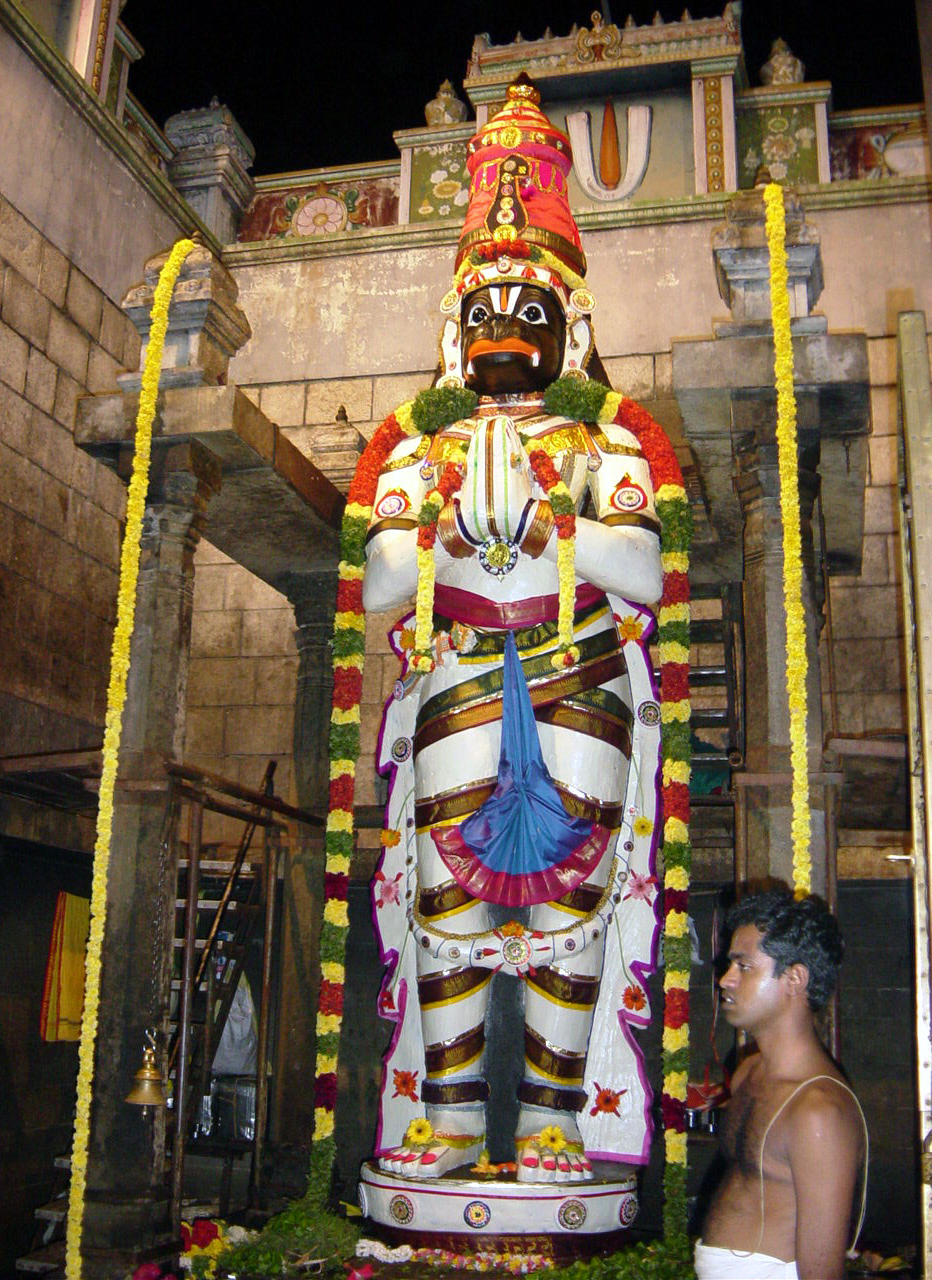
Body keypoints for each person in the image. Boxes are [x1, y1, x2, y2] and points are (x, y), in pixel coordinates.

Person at [360, 77, 669, 1183]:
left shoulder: (604, 438)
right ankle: (440, 1120)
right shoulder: (421, 446)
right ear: (455, 328)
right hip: (457, 678)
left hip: (573, 670)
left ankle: (551, 1117)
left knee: (570, 909)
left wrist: (557, 526)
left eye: (527, 309)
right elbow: (380, 578)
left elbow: (649, 559)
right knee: (450, 902)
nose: (503, 326)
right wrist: (449, 531)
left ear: (569, 326)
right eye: (483, 308)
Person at [697, 890, 867, 1280]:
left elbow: (822, 1273)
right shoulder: (748, 1073)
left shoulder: (818, 1110)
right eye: (729, 965)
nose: (725, 979)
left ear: (794, 979)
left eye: (743, 966)